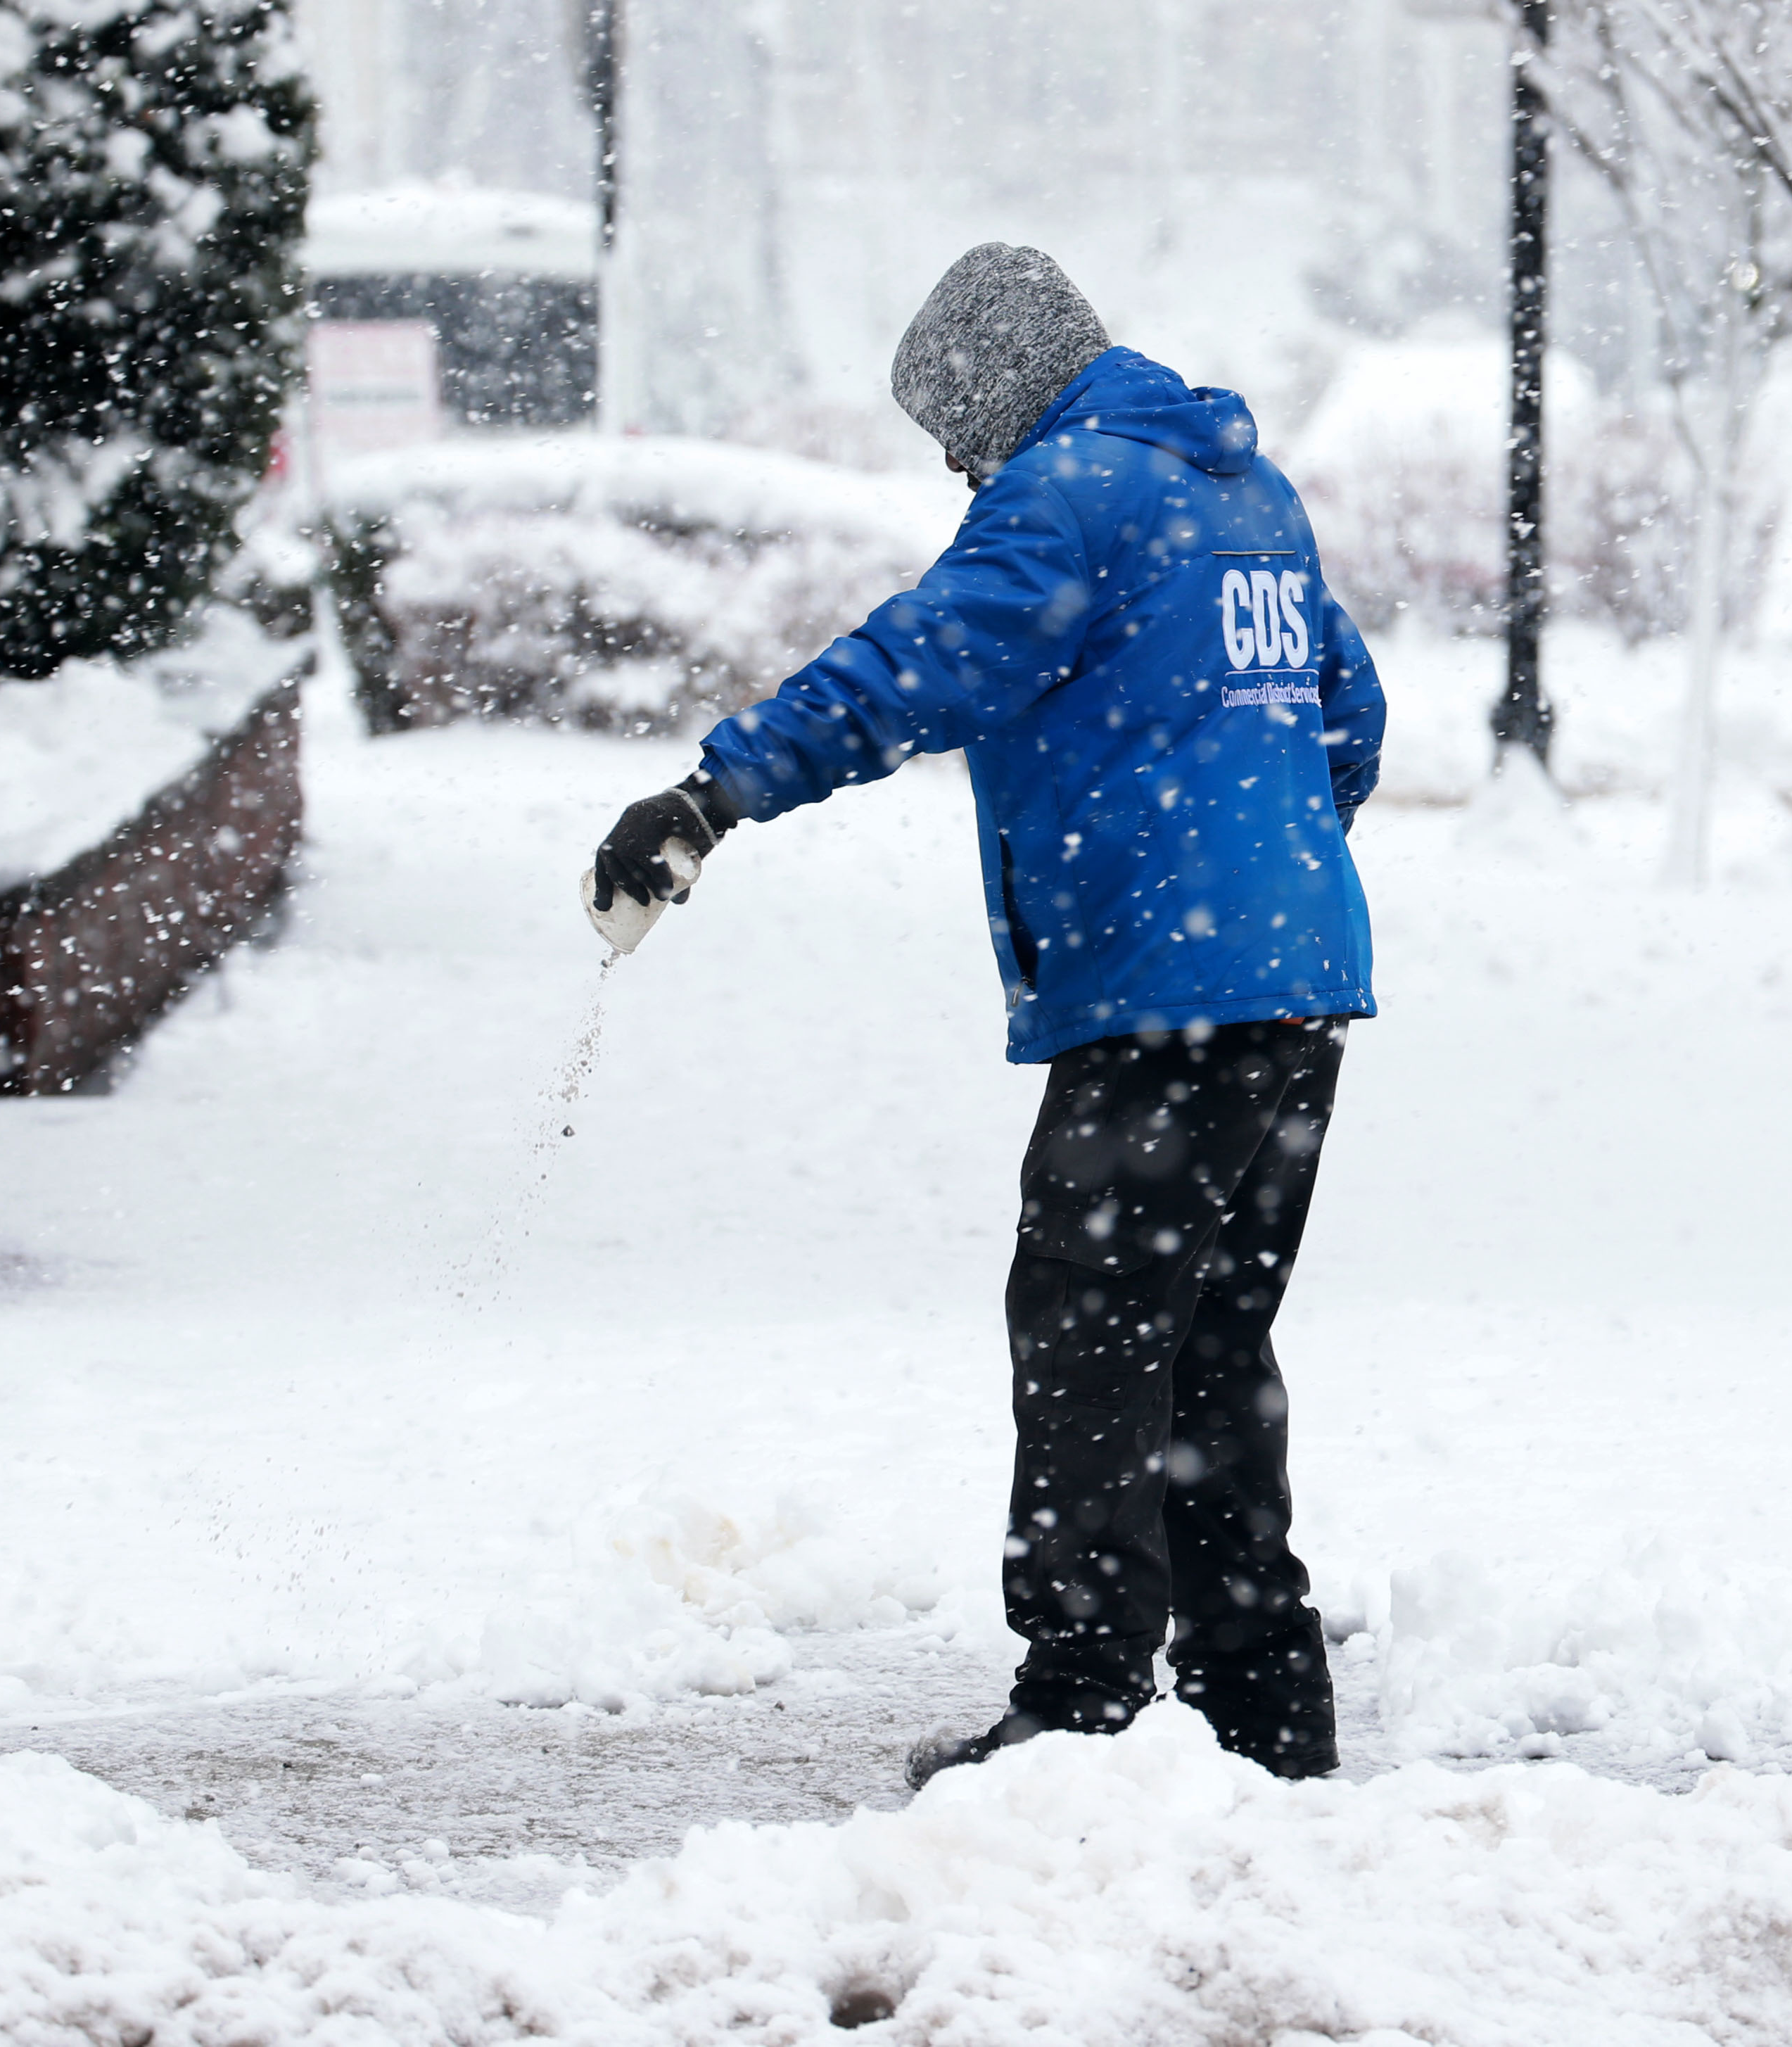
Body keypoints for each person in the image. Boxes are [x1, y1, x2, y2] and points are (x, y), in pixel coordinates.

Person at [588, 246, 1385, 1786]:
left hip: (1171, 994)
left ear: (995, 383)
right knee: (1211, 1347)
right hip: (1293, 988)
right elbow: (1344, 717)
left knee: (1090, 1340)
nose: (956, 463)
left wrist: (715, 793)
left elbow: (914, 665)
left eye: (953, 424)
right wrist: (1262, 857)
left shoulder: (1069, 493)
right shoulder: (1240, 491)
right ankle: (1264, 1708)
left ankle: (1082, 1708)